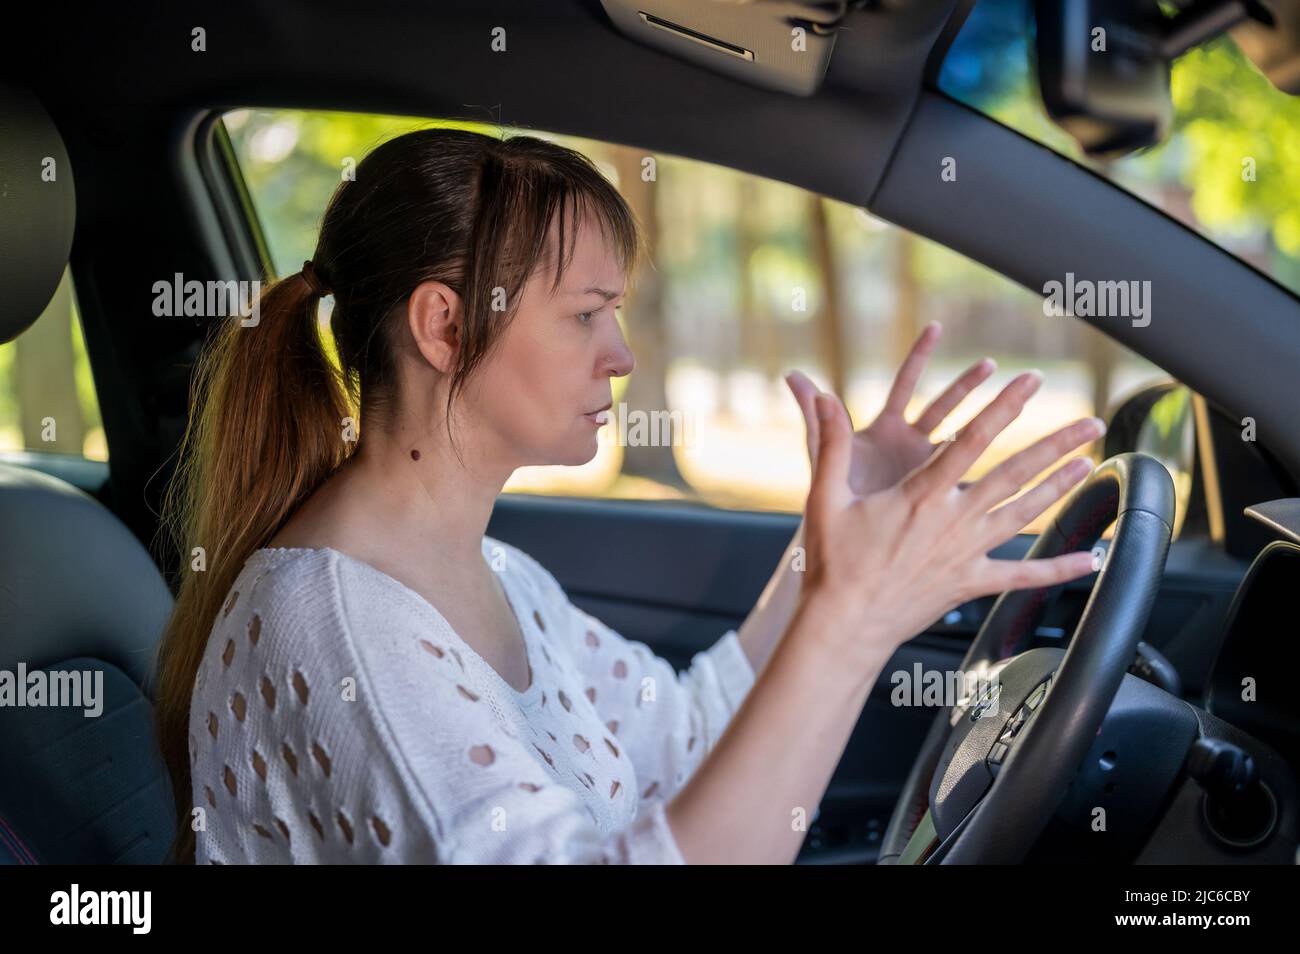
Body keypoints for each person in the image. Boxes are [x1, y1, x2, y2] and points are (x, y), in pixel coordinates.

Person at [152, 128, 1103, 864]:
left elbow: (683, 739)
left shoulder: (498, 575)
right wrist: (852, 624)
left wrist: (833, 545)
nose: (621, 355)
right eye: (584, 315)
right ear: (444, 326)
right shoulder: (335, 629)